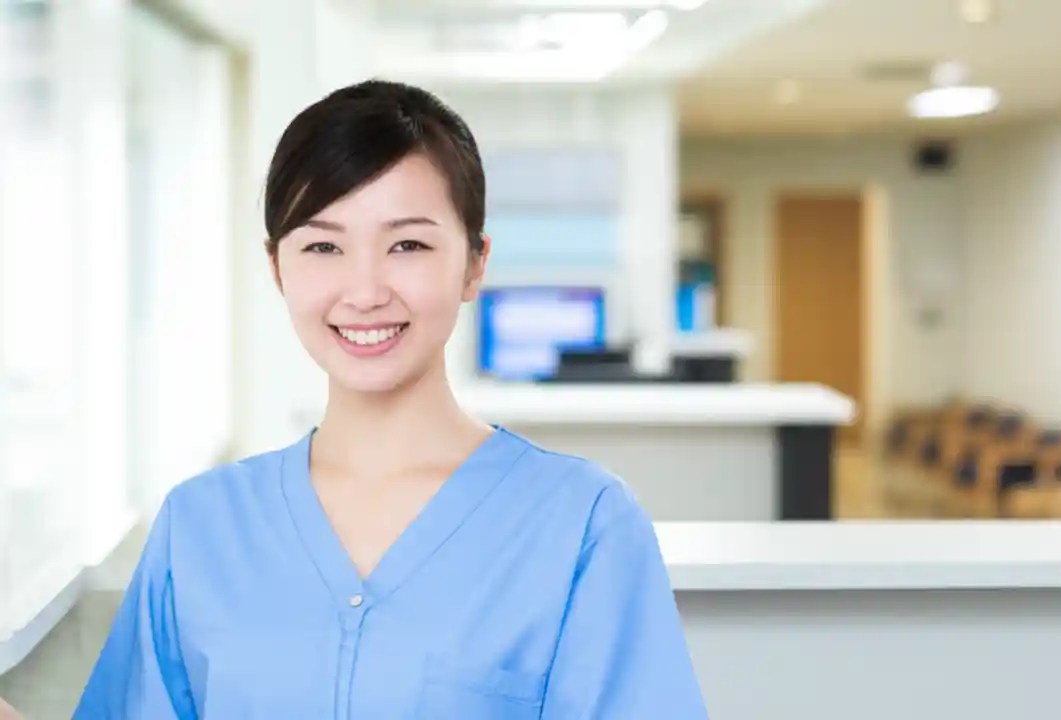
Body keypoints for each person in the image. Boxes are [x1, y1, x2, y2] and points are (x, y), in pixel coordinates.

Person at [72, 80, 707, 718]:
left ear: (475, 264)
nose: (365, 290)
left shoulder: (581, 525)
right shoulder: (201, 528)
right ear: (277, 269)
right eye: (323, 246)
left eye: (408, 245)